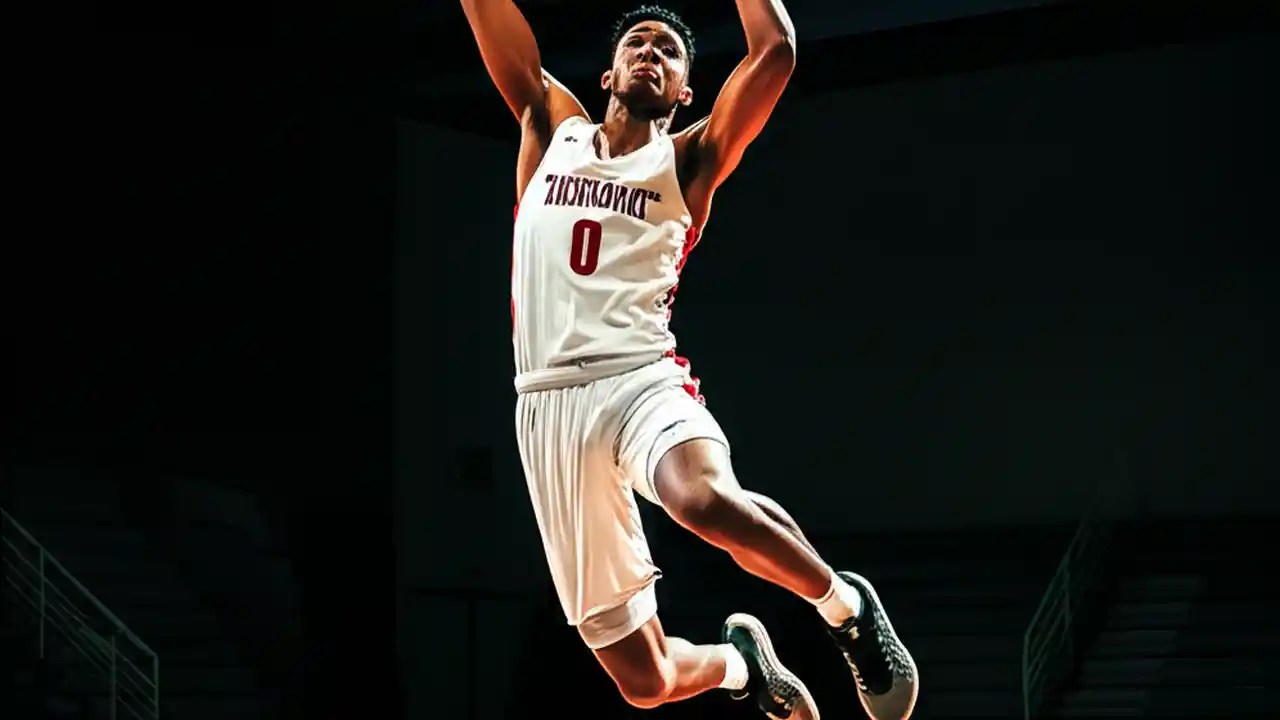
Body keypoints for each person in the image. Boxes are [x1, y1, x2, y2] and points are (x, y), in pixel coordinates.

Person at [459, 1, 918, 718]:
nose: (651, 53)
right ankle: (741, 666)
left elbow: (776, 52)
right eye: (637, 43)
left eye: (669, 51)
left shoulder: (687, 158)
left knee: (698, 499)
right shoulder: (550, 128)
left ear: (685, 93)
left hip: (641, 377)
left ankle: (845, 608)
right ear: (607, 73)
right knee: (643, 682)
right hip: (547, 405)